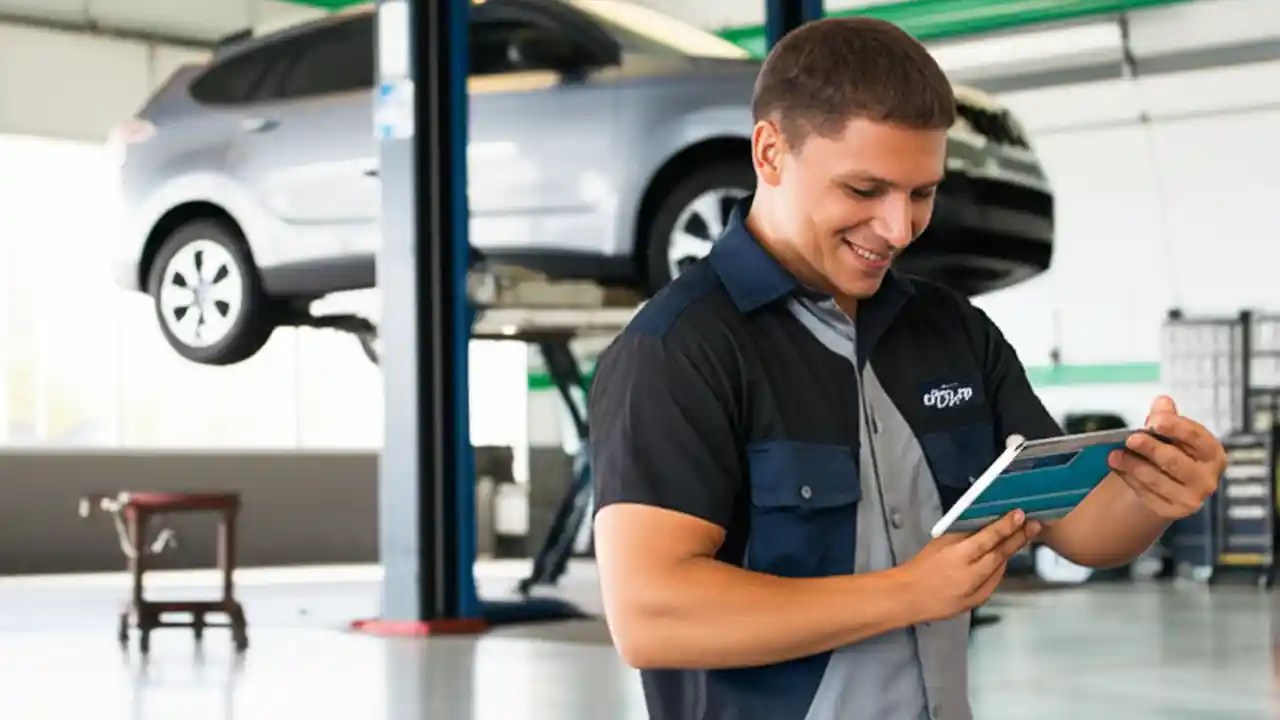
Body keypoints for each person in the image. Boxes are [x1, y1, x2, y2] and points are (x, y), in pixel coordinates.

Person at [587, 16, 1227, 720]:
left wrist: (1155, 493)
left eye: (921, 193)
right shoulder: (678, 351)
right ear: (770, 153)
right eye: (865, 191)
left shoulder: (951, 332)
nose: (899, 228)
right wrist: (909, 593)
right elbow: (652, 616)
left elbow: (1080, 529)